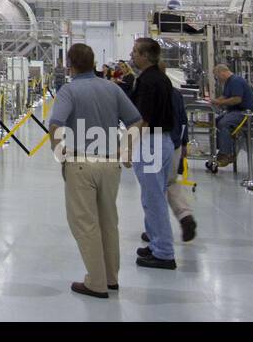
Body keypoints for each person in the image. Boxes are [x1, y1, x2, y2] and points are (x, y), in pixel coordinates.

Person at [49, 42, 144, 298]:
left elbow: (56, 123)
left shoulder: (69, 91)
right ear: (93, 63)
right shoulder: (111, 88)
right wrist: (126, 151)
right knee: (108, 221)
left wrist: (60, 155)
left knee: (85, 223)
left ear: (70, 65)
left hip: (81, 163)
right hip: (111, 162)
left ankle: (96, 281)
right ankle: (112, 278)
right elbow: (136, 120)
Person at [129, 37, 178, 270]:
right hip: (163, 140)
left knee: (154, 198)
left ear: (145, 56)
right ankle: (155, 241)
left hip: (151, 143)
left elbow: (143, 120)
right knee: (152, 195)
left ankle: (164, 252)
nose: (132, 55)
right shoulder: (161, 78)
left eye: (135, 52)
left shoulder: (148, 81)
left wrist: (127, 147)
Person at [164, 84, 197, 242]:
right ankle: (185, 215)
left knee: (154, 188)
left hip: (158, 143)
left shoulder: (150, 90)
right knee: (170, 183)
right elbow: (183, 118)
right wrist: (184, 143)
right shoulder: (176, 93)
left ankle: (154, 229)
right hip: (176, 142)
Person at [211, 63, 253, 166]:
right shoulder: (229, 82)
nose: (218, 80)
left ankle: (226, 154)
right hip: (234, 112)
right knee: (216, 121)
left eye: (217, 77)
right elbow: (225, 96)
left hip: (243, 113)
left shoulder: (236, 81)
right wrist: (214, 101)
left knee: (224, 123)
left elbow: (237, 99)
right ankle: (222, 148)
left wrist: (220, 103)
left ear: (222, 72)